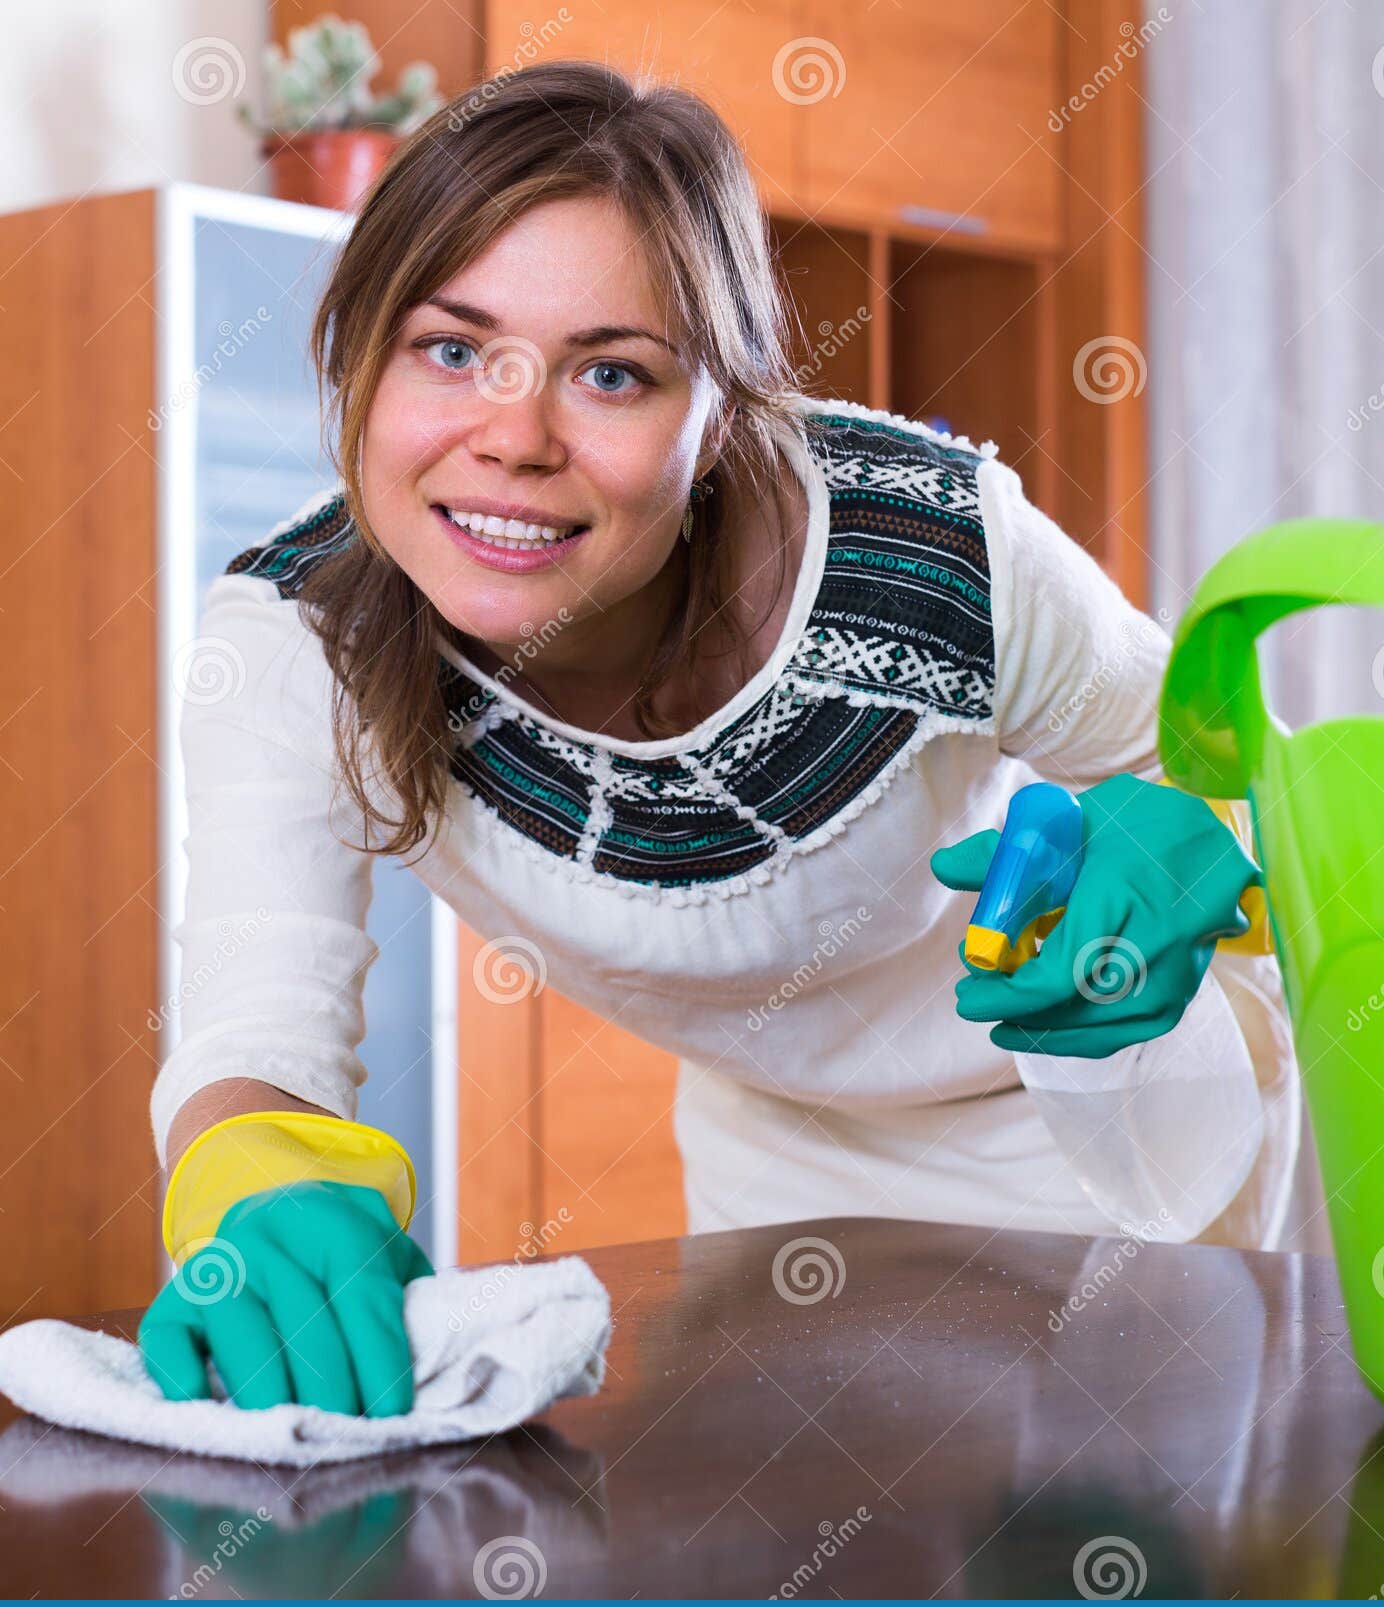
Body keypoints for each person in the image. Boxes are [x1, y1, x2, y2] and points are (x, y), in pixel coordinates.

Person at [139, 60, 1298, 1416]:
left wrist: (1192, 845)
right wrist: (260, 1186)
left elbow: (1242, 788)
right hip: (783, 1163)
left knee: (1115, 1524)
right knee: (785, 1527)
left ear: (717, 421)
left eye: (612, 374)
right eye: (451, 350)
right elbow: (257, 1027)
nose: (513, 439)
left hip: (1099, 1119)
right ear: (357, 357)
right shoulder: (299, 644)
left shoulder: (934, 556)